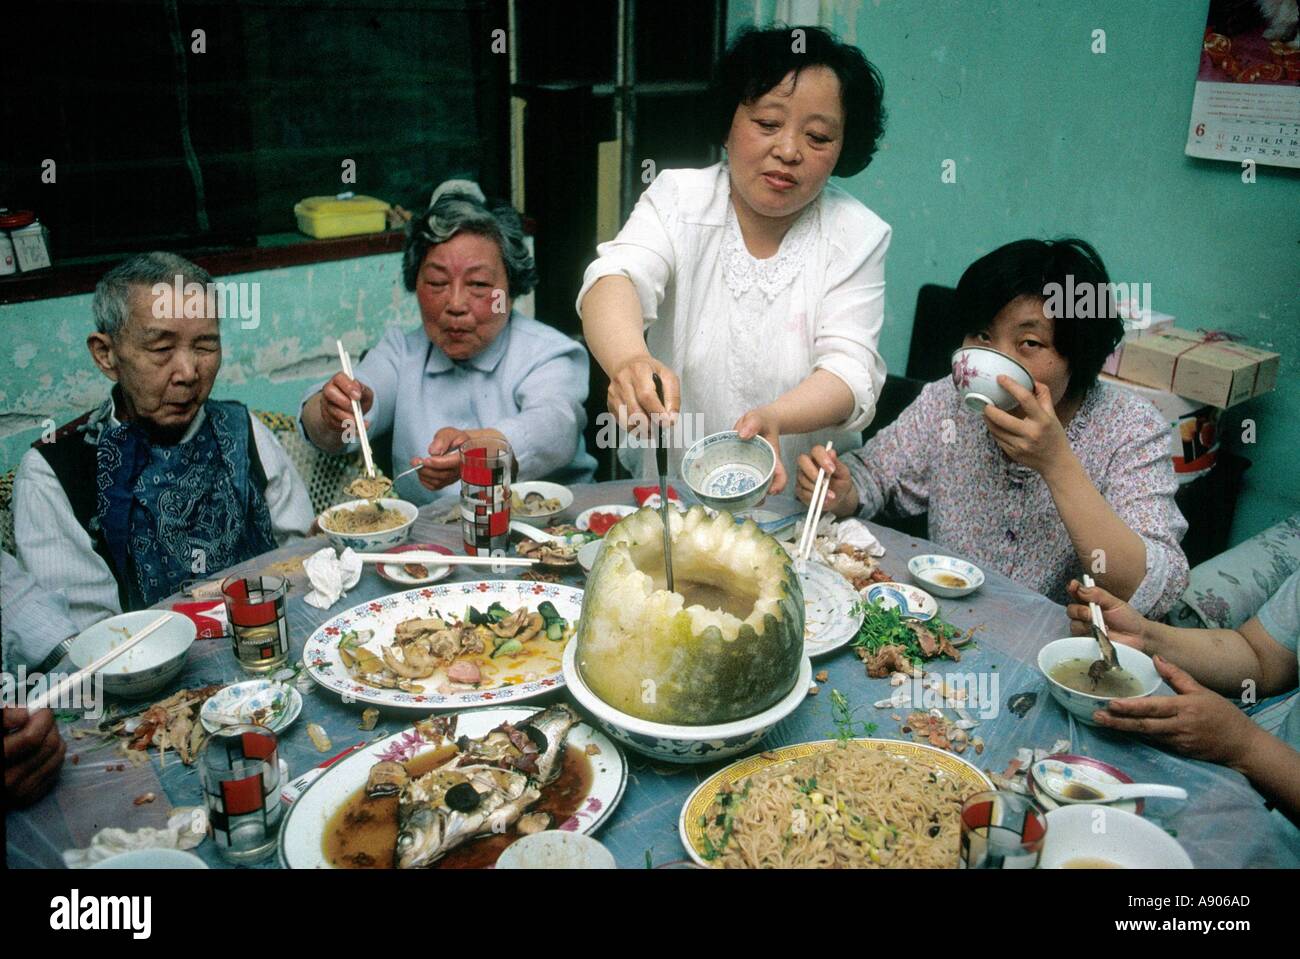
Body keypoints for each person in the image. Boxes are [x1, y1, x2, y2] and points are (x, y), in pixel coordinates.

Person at [797, 238, 1189, 616]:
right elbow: (875, 477)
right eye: (983, 335)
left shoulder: (1130, 428)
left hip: (1066, 657)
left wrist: (1057, 465)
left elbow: (1151, 588)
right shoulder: (949, 401)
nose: (993, 360)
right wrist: (842, 490)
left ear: (1078, 353)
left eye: (1029, 343)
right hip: (950, 630)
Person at [578, 25, 889, 490]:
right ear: (728, 121)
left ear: (843, 147)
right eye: (767, 124)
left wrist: (775, 416)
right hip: (674, 493)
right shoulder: (680, 198)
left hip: (800, 501)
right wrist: (628, 361)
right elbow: (617, 277)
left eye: (818, 137)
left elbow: (850, 371)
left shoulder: (857, 233)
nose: (788, 151)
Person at [12, 252, 314, 633]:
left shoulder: (242, 428)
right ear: (106, 355)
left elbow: (303, 557)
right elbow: (92, 642)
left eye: (205, 347)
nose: (188, 373)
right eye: (161, 349)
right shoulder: (56, 473)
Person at [300, 181, 596, 504]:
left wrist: (483, 448)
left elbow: (556, 425)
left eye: (479, 284)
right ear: (416, 283)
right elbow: (339, 425)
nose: (455, 303)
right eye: (437, 282)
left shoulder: (547, 352)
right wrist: (330, 412)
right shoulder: (402, 353)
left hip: (544, 533)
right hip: (433, 545)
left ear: (510, 289)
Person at [1067, 574, 1300, 827]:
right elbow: (1262, 658)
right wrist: (1146, 636)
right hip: (1249, 789)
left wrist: (1246, 746)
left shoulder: (1244, 746)